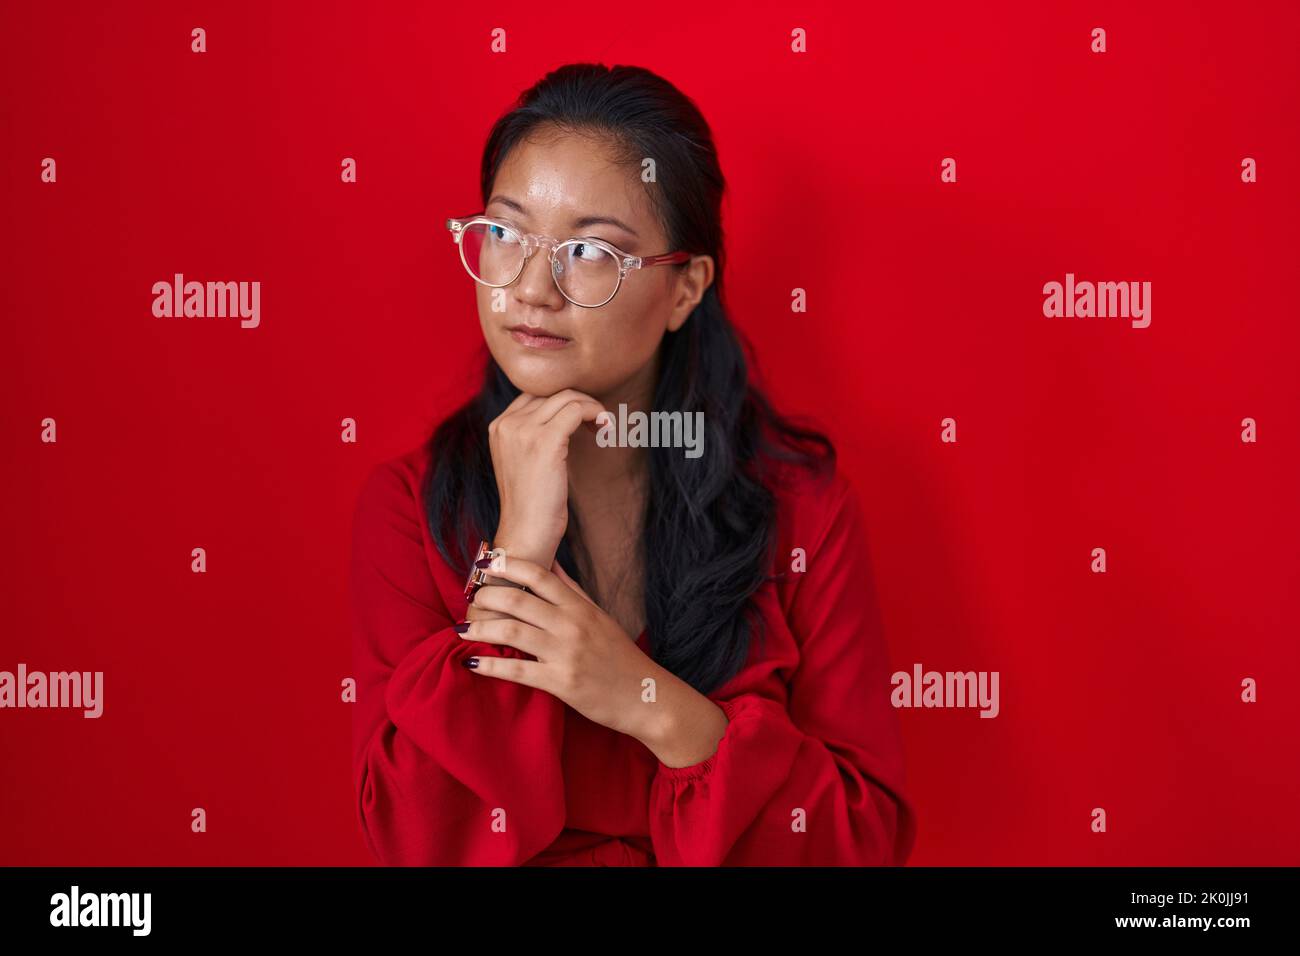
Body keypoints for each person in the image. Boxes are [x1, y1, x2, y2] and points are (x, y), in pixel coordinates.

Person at [348, 62, 917, 866]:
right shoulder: (409, 507)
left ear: (685, 288)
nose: (530, 288)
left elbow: (860, 843)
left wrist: (651, 706)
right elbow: (412, 840)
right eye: (505, 234)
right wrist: (515, 555)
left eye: (587, 251)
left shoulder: (801, 509)